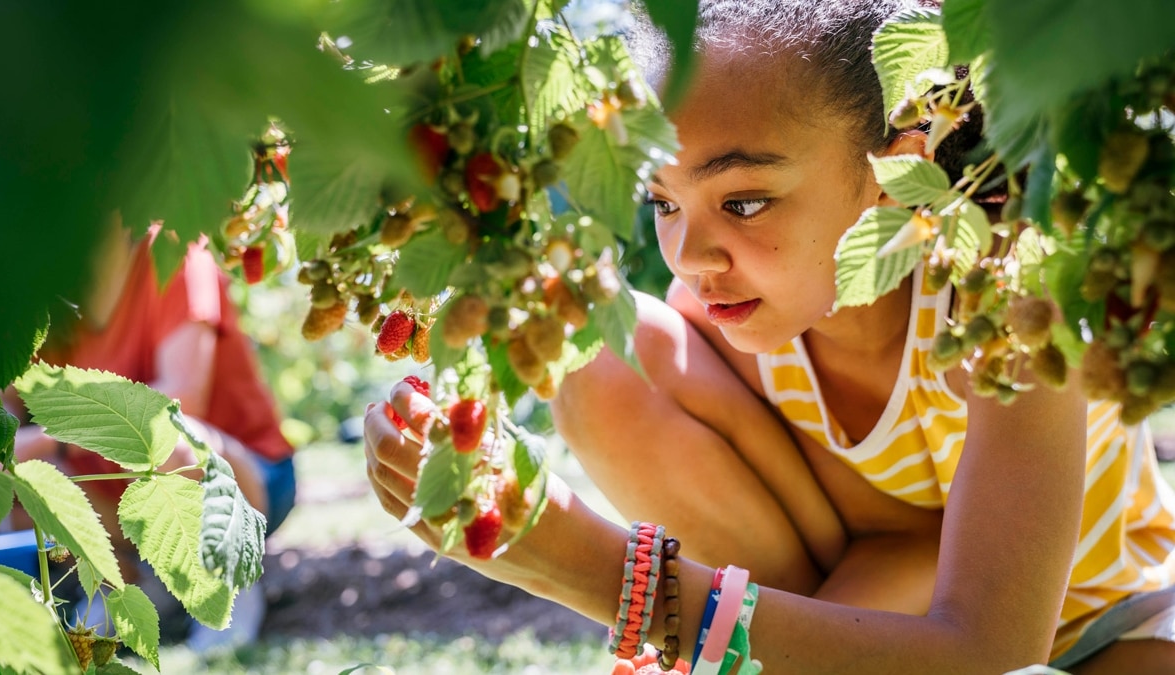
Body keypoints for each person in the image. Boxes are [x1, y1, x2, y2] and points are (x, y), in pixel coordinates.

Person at [364, 1, 1175, 672]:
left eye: (744, 201)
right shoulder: (736, 316)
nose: (689, 255)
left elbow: (992, 651)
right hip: (869, 598)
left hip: (1103, 624)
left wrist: (582, 564)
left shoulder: (1000, 301)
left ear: (899, 168)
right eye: (664, 200)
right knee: (600, 359)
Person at [2, 218, 297, 650]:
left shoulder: (173, 253)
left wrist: (53, 437)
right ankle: (134, 586)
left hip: (247, 479)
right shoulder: (45, 291)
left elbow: (180, 399)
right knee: (8, 474)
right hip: (121, 499)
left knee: (165, 436)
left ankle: (229, 583)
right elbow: (2, 411)